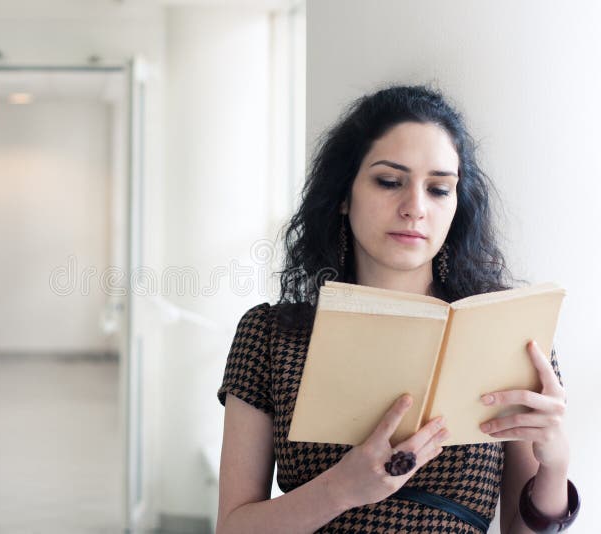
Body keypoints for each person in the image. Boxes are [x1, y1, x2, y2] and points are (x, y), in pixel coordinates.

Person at [216, 85, 579, 533]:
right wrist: (340, 489)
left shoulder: (509, 334)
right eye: (389, 182)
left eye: (439, 189)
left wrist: (556, 462)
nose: (414, 208)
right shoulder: (271, 336)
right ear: (344, 194)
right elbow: (232, 527)